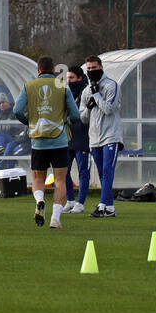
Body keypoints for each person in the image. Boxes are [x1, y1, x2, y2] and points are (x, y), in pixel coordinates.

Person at [13, 55, 81, 229]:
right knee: (60, 180)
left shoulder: (29, 86)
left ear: (38, 70)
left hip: (38, 141)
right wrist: (67, 122)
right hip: (59, 140)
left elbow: (17, 110)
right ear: (53, 70)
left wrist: (29, 123)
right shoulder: (62, 86)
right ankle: (55, 219)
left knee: (38, 178)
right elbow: (75, 115)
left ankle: (40, 200)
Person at [80, 55, 123, 218]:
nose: (91, 71)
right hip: (94, 138)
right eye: (89, 69)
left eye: (94, 68)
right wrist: (89, 106)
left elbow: (109, 109)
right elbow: (83, 117)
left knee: (107, 171)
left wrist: (96, 96)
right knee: (101, 173)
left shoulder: (112, 85)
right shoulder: (86, 91)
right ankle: (110, 208)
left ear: (101, 67)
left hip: (111, 136)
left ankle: (102, 206)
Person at [62, 65, 92, 213]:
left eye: (72, 78)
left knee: (83, 171)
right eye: (67, 78)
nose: (69, 81)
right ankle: (70, 200)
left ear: (80, 78)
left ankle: (80, 203)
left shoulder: (87, 91)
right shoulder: (66, 92)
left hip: (83, 137)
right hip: (68, 137)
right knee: (63, 171)